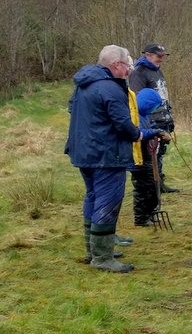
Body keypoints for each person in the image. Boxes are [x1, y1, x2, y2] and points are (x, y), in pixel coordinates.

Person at [66, 45, 163, 273]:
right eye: (127, 65)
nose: (130, 70)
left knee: (92, 197)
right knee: (107, 201)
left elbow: (73, 110)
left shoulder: (84, 84)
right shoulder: (110, 87)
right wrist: (139, 134)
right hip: (106, 155)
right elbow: (123, 123)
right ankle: (102, 257)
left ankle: (94, 250)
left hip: (84, 152)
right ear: (117, 65)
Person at [129, 43, 179, 193]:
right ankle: (149, 186)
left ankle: (160, 184)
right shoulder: (139, 72)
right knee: (150, 157)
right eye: (158, 56)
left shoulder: (158, 71)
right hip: (150, 120)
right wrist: (147, 123)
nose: (161, 59)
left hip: (164, 118)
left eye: (162, 56)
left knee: (160, 153)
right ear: (147, 55)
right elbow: (138, 100)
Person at [131, 88, 171, 227]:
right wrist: (156, 132)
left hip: (147, 156)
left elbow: (151, 126)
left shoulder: (144, 115)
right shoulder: (134, 115)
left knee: (154, 184)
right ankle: (141, 217)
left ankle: (151, 212)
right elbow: (139, 133)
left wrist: (161, 134)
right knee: (143, 188)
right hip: (138, 158)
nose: (153, 109)